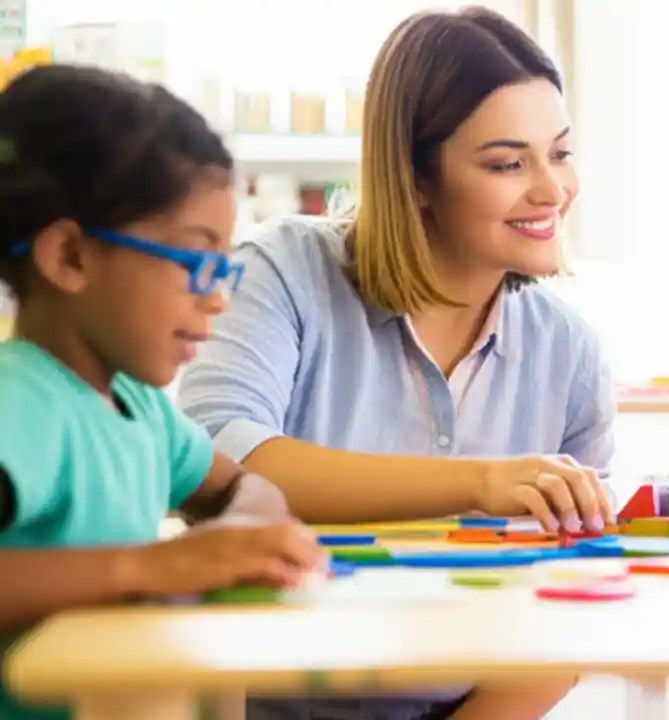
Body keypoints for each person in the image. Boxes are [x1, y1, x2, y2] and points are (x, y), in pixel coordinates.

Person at [178, 7, 614, 719]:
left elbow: (576, 605)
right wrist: (479, 481)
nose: (551, 189)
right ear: (414, 178)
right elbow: (217, 459)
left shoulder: (569, 352)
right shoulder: (284, 272)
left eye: (560, 153)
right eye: (508, 163)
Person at [0, 65, 326, 720]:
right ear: (69, 257)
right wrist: (149, 568)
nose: (219, 296)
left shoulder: (139, 408)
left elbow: (245, 484)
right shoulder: (21, 403)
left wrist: (239, 531)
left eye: (226, 266)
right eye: (195, 260)